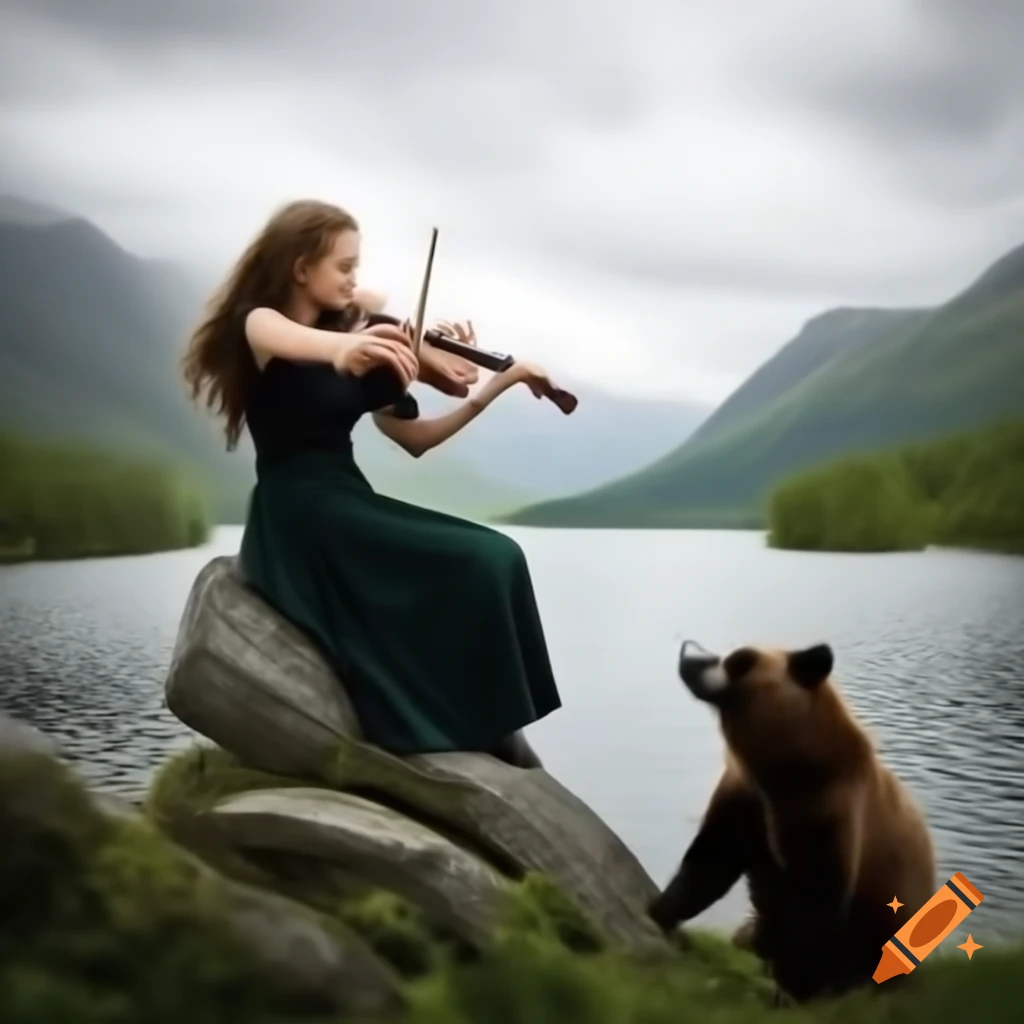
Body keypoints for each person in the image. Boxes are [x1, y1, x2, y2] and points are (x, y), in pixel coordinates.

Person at [181, 198, 565, 768]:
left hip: (347, 498)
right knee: (479, 561)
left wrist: (497, 385)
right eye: (344, 266)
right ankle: (472, 727)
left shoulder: (363, 339)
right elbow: (317, 344)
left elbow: (417, 438)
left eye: (356, 267)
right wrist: (358, 340)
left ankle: (492, 721)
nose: (354, 278)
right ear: (300, 268)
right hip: (299, 512)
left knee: (498, 556)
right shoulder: (264, 325)